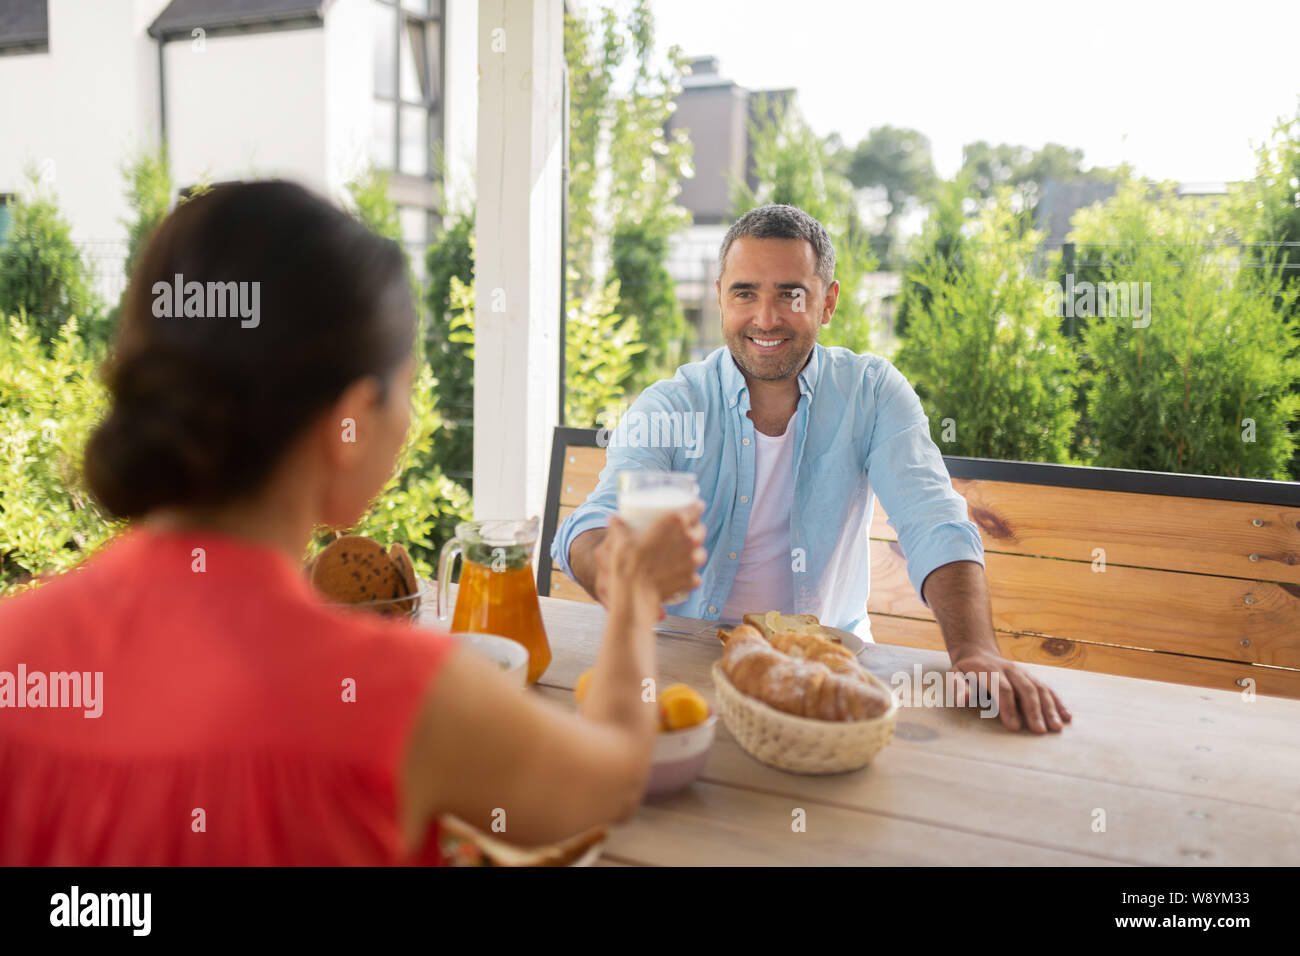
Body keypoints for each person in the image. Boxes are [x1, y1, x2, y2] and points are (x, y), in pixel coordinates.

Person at [0, 181, 706, 865]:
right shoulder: (406, 699)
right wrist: (633, 597)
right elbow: (611, 778)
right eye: (405, 388)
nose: (407, 422)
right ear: (350, 420)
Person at [552, 203, 1070, 734]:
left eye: (791, 294)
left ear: (828, 302)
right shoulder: (671, 406)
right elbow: (592, 522)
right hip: (684, 669)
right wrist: (614, 568)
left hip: (828, 671)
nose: (766, 318)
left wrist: (974, 652)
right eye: (745, 292)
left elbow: (933, 520)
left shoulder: (870, 393)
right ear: (720, 299)